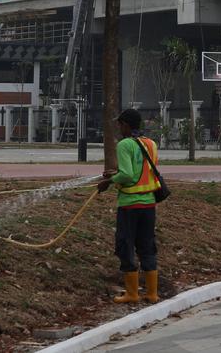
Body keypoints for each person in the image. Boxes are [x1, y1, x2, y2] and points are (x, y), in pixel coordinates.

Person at [97, 108, 161, 304]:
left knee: (126, 245)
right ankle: (151, 293)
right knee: (147, 246)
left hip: (129, 205)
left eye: (120, 124)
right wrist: (115, 173)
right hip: (148, 204)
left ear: (125, 124)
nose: (118, 127)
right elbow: (141, 170)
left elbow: (128, 175)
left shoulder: (124, 144)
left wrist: (108, 181)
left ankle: (132, 294)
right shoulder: (151, 144)